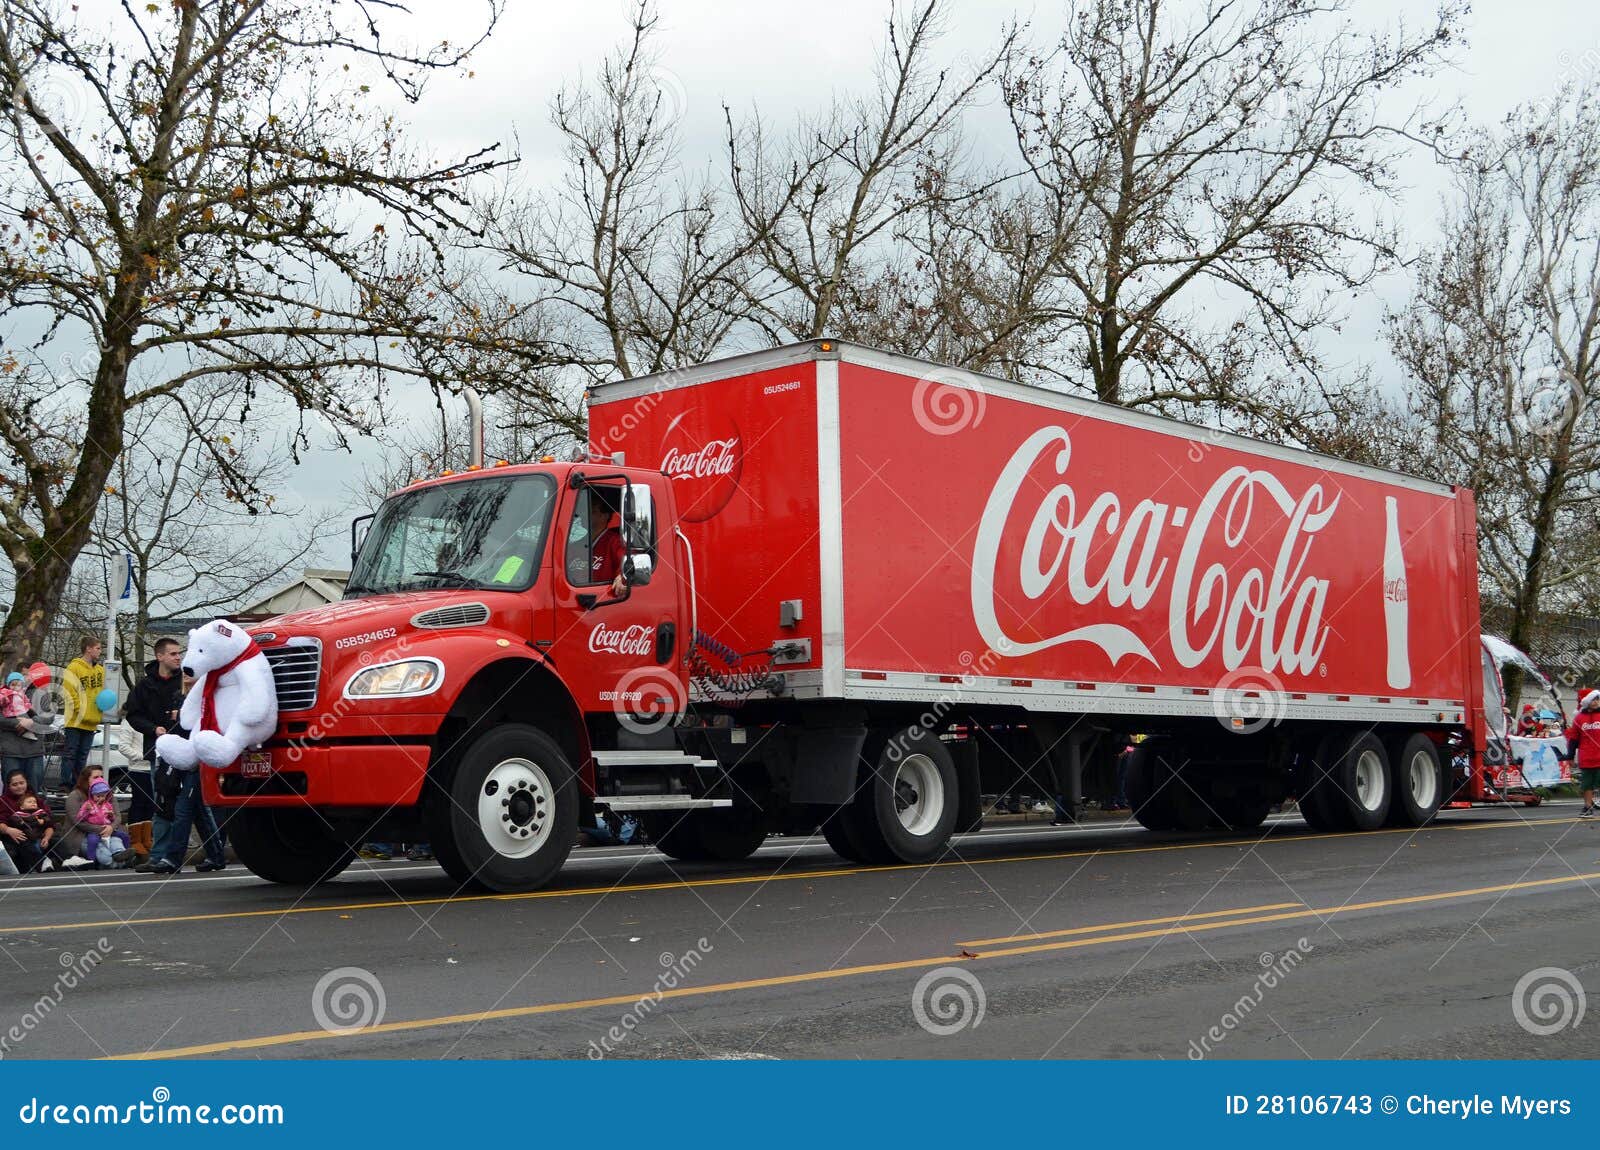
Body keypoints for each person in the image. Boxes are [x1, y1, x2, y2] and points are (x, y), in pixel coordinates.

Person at [122, 637, 185, 862]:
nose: (178, 657)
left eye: (179, 653)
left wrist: (182, 715)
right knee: (161, 802)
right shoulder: (144, 685)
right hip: (157, 751)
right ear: (160, 656)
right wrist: (152, 728)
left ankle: (213, 852)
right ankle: (159, 856)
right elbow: (133, 714)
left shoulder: (186, 680)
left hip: (187, 748)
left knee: (191, 803)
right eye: (173, 654)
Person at [60, 636, 106, 789]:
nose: (100, 651)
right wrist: (81, 710)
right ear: (88, 648)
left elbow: (102, 693)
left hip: (92, 720)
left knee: (83, 756)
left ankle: (78, 784)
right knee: (70, 753)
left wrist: (99, 711)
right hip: (75, 720)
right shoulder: (74, 668)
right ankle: (65, 783)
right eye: (98, 648)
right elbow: (69, 692)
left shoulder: (100, 670)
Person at [58, 765, 121, 868]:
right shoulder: (75, 795)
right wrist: (103, 829)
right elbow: (78, 821)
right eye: (96, 777)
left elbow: (117, 816)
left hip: (106, 833)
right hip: (80, 836)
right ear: (86, 780)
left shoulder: (107, 794)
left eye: (101, 777)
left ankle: (118, 859)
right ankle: (113, 864)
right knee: (99, 845)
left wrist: (111, 827)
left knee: (116, 841)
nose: (100, 780)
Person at [0, 674, 48, 797]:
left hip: (34, 751)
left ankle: (34, 815)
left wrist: (31, 722)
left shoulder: (40, 694)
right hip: (11, 751)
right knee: (10, 792)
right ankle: (9, 815)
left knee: (34, 791)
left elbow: (49, 716)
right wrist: (17, 723)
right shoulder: (3, 694)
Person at [0, 771, 56, 872]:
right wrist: (8, 830)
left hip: (39, 833)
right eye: (14, 784)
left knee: (57, 839)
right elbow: (1, 822)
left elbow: (50, 823)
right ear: (8, 786)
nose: (19, 787)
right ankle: (42, 863)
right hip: (17, 835)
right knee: (22, 842)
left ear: (26, 783)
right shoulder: (3, 800)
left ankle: (70, 860)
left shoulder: (36, 799)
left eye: (22, 783)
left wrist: (47, 837)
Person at [582, 489, 628, 597]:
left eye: (592, 511)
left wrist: (622, 577)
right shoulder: (574, 545)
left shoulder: (616, 542)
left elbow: (629, 564)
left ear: (606, 515)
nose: (585, 514)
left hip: (603, 600)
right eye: (584, 510)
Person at [1564, 689, 1600, 818]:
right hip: (1586, 757)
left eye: (1597, 699)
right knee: (1587, 785)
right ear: (1586, 702)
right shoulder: (1579, 718)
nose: (1596, 702)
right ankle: (1588, 807)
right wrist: (1570, 756)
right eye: (1593, 699)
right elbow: (1573, 738)